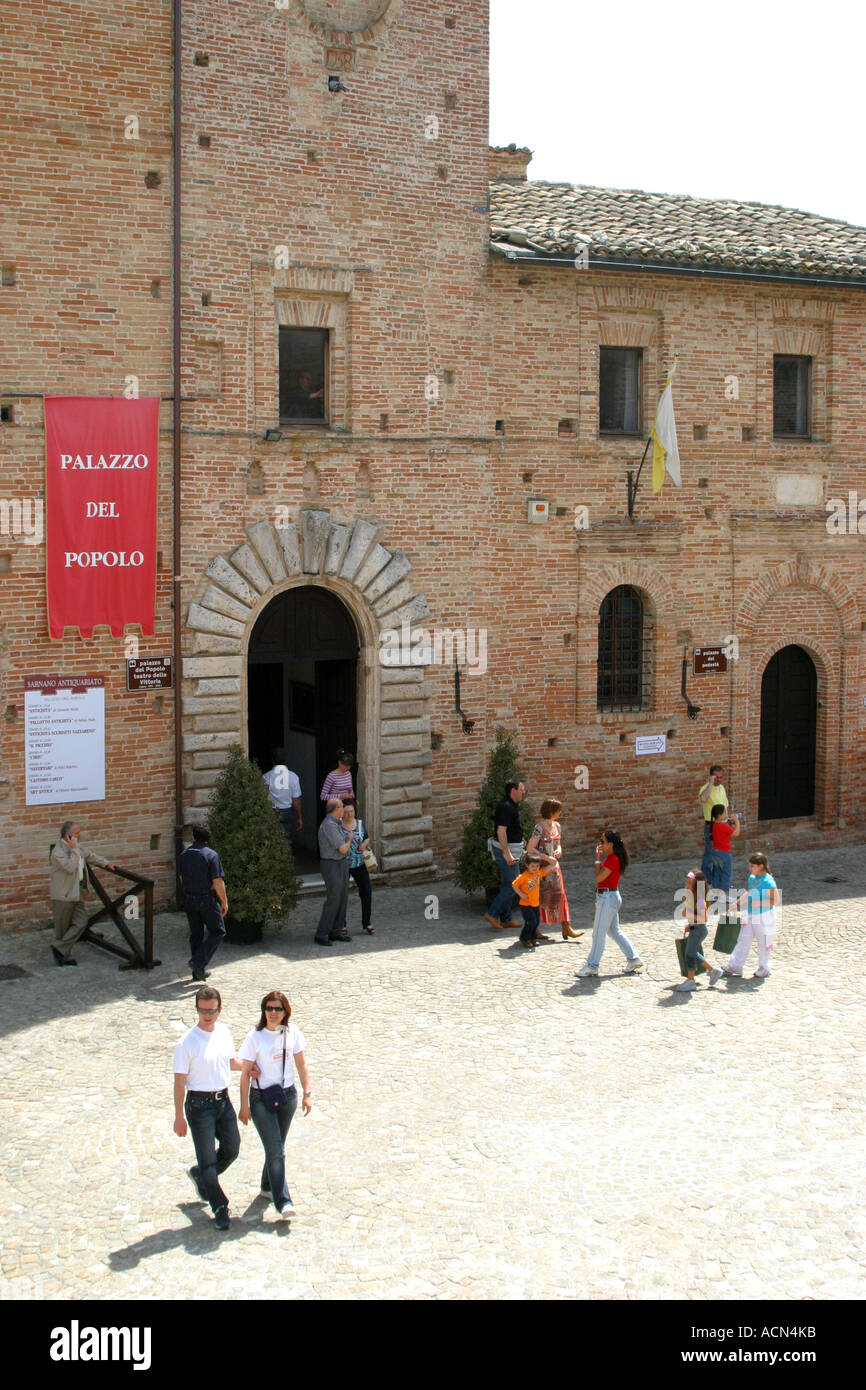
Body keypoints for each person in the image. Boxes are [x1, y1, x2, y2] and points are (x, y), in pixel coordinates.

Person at [172, 985, 244, 1231]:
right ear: (197, 1010)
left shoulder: (223, 1032)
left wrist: (250, 1067)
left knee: (232, 1148)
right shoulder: (186, 1043)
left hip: (223, 1101)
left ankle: (201, 1176)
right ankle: (219, 1206)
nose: (207, 1015)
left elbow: (230, 1062)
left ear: (219, 1009)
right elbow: (179, 1081)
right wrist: (178, 1116)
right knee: (207, 1159)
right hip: (199, 1105)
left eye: (211, 1010)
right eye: (202, 1011)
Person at [239, 990, 312, 1219]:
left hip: (287, 1096)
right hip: (261, 1098)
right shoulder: (255, 1037)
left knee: (276, 1147)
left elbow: (301, 1064)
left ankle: (267, 1187)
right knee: (276, 1150)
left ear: (285, 1012)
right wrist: (244, 1106)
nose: (273, 1013)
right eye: (269, 1008)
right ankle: (283, 1201)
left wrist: (307, 1093)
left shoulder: (292, 1032)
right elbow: (244, 1073)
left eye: (277, 1009)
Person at [576, 830, 644, 977]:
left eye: (603, 842)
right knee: (614, 931)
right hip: (610, 897)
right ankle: (634, 958)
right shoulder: (613, 858)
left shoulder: (612, 859)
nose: (601, 844)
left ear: (611, 844)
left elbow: (599, 878)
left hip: (607, 898)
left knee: (598, 933)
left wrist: (597, 859)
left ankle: (592, 965)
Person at [49, 821, 116, 966]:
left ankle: (59, 948)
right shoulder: (58, 852)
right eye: (77, 833)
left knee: (81, 922)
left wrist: (106, 863)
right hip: (63, 895)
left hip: (75, 892)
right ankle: (63, 956)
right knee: (62, 927)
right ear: (68, 836)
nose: (80, 835)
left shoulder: (77, 848)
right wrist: (74, 849)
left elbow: (90, 855)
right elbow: (70, 867)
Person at [526, 797, 582, 941]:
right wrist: (546, 857)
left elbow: (558, 844)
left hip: (555, 868)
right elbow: (530, 848)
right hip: (543, 869)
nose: (560, 813)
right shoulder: (539, 828)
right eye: (558, 810)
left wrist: (559, 850)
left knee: (561, 897)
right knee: (541, 898)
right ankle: (534, 928)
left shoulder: (557, 826)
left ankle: (566, 926)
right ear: (551, 812)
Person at [178, 826, 228, 982]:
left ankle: (198, 971)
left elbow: (181, 878)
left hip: (189, 898)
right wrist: (224, 901)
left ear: (194, 838)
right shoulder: (211, 855)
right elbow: (217, 881)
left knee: (196, 934)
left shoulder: (184, 855)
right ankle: (198, 962)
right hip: (206, 899)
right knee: (218, 931)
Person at [724, 852, 780, 979]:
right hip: (750, 914)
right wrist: (738, 903)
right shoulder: (752, 878)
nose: (750, 869)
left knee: (763, 942)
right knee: (743, 939)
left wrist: (759, 903)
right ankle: (735, 965)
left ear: (761, 866)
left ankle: (764, 967)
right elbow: (749, 892)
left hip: (764, 916)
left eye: (752, 866)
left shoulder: (769, 882)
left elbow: (775, 901)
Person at [483, 779, 526, 929]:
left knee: (508, 884)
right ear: (513, 791)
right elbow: (501, 831)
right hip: (507, 852)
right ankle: (493, 914)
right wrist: (508, 854)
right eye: (522, 789)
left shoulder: (512, 805)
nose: (524, 792)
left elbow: (513, 827)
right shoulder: (506, 806)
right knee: (513, 885)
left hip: (512, 849)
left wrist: (521, 839)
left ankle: (506, 918)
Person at [676, 870, 723, 992]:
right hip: (695, 928)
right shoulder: (692, 896)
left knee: (690, 954)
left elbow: (704, 918)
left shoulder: (700, 900)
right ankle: (713, 971)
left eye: (690, 883)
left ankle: (691, 981)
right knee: (692, 953)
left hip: (699, 930)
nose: (687, 885)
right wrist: (689, 924)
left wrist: (688, 913)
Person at [314, 797, 353, 944]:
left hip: (340, 863)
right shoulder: (329, 825)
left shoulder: (336, 823)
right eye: (342, 807)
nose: (344, 809)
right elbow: (343, 849)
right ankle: (322, 933)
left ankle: (336, 931)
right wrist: (349, 839)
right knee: (334, 898)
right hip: (331, 864)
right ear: (336, 809)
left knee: (343, 897)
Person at [342, 797, 374, 934]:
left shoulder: (360, 824)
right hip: (343, 864)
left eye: (352, 811)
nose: (350, 814)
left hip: (359, 863)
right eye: (347, 812)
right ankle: (341, 924)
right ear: (342, 812)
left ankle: (366, 922)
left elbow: (367, 837)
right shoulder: (338, 825)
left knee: (366, 892)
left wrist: (364, 844)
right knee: (342, 894)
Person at [512, 853, 554, 948]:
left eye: (537, 866)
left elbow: (551, 866)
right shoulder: (524, 876)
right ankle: (525, 938)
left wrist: (549, 859)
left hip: (535, 903)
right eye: (532, 866)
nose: (535, 868)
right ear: (527, 866)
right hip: (526, 904)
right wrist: (521, 894)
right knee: (530, 921)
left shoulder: (538, 873)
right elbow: (514, 885)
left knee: (536, 922)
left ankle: (532, 938)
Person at [263, 749, 302, 845]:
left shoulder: (267, 776)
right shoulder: (293, 776)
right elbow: (296, 800)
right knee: (286, 840)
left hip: (271, 811)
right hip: (287, 811)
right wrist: (300, 817)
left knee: (271, 840)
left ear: (273, 761)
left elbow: (263, 796)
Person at [699, 764, 728, 878]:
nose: (719, 780)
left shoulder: (722, 788)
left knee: (721, 855)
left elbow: (726, 806)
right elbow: (703, 799)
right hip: (712, 827)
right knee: (709, 855)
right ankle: (705, 881)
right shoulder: (706, 788)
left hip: (723, 826)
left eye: (721, 777)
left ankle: (717, 880)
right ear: (711, 777)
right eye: (717, 777)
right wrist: (710, 783)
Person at [709, 803, 740, 891]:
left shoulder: (714, 825)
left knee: (717, 872)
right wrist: (737, 822)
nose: (726, 815)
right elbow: (736, 834)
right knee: (726, 874)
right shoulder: (724, 826)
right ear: (719, 815)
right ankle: (723, 893)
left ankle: (716, 891)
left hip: (715, 852)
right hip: (725, 853)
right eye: (725, 813)